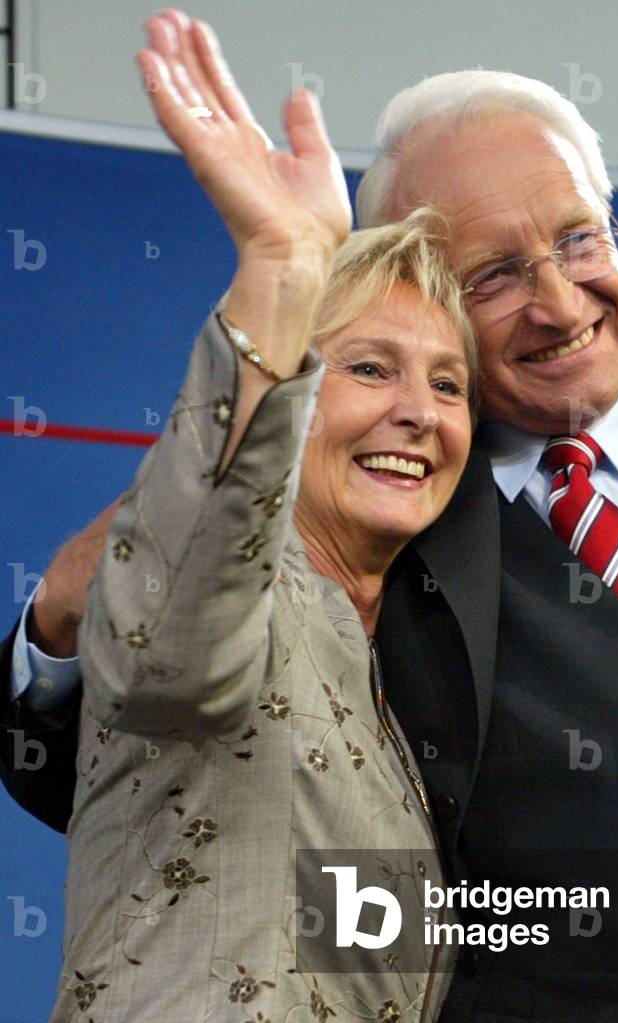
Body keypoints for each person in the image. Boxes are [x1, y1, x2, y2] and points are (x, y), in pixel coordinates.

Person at [3, 20, 618, 1023]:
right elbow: (174, 779)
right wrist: (62, 627)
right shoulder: (351, 527)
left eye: (576, 239)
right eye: (493, 275)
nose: (559, 304)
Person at [4, 10, 479, 1021]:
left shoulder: (395, 670)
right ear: (297, 396)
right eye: (367, 367)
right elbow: (194, 557)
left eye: (449, 385)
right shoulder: (227, 591)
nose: (418, 411)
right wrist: (280, 272)